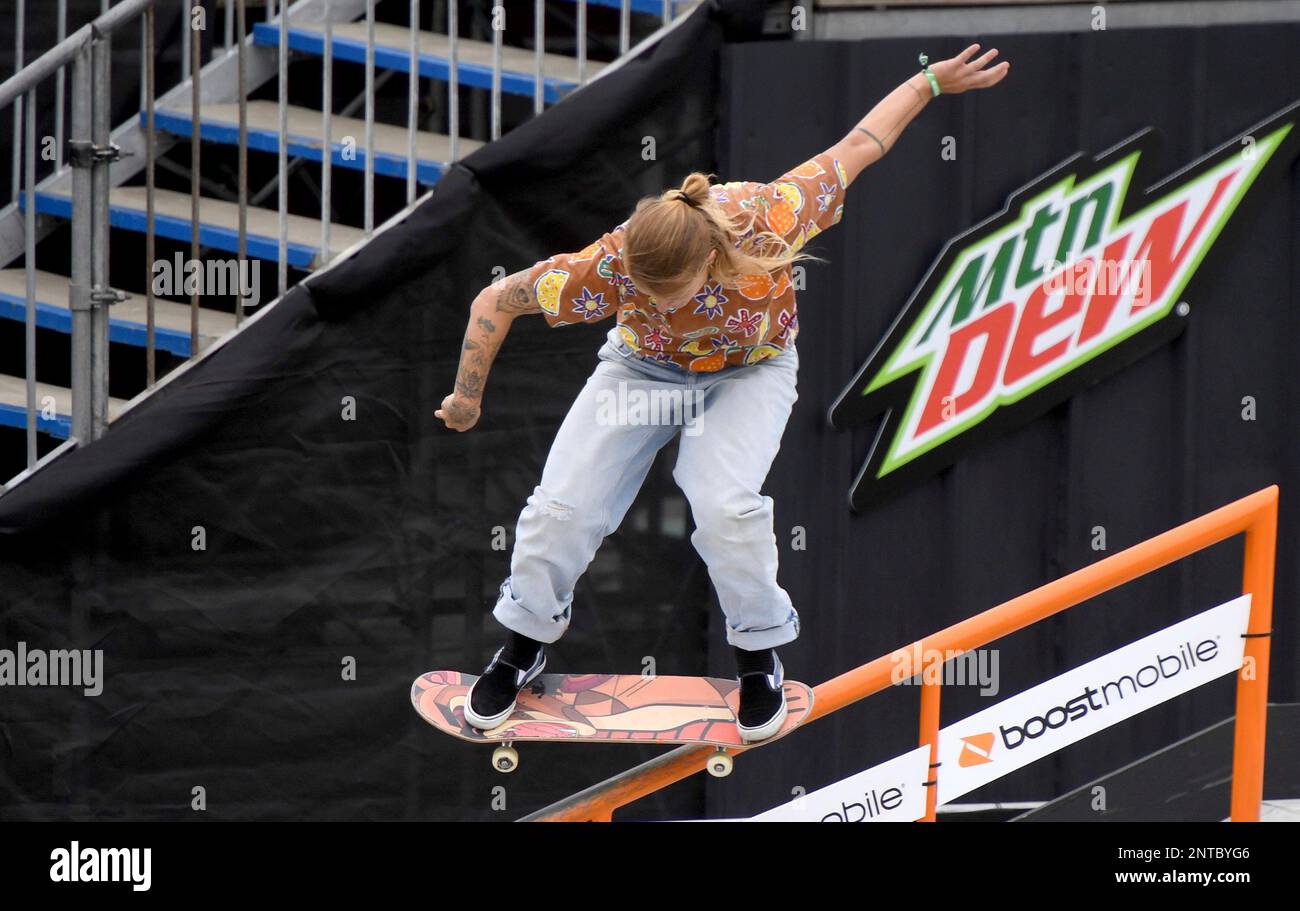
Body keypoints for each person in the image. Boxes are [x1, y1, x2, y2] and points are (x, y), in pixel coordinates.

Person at [437, 45, 1010, 740]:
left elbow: (863, 143)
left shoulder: (771, 216)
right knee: (562, 505)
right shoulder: (610, 266)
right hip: (643, 372)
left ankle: (757, 656)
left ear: (708, 258)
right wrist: (468, 396)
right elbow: (496, 300)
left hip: (750, 371)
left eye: (664, 289)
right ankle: (523, 643)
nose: (644, 295)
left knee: (725, 504)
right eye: (637, 287)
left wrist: (927, 81)